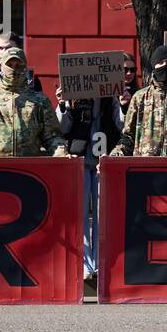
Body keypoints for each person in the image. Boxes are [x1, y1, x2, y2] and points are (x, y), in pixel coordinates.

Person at [57, 70, 125, 279]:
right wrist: (62, 105)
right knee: (80, 213)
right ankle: (86, 263)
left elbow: (121, 125)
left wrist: (122, 105)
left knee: (101, 213)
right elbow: (62, 127)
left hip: (102, 161)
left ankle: (101, 261)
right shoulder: (73, 97)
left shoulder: (110, 97)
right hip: (79, 159)